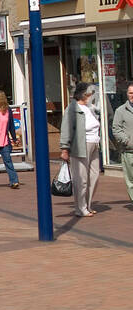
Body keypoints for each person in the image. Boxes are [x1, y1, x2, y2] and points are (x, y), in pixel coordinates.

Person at [60, 81, 101, 217]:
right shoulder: (72, 108)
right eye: (90, 93)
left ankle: (87, 205)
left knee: (94, 176)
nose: (92, 96)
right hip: (81, 145)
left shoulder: (90, 108)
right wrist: (64, 148)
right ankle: (80, 208)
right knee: (81, 178)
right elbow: (66, 128)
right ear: (83, 94)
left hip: (95, 143)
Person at [111, 83, 133, 205]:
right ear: (127, 94)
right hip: (129, 151)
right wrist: (126, 140)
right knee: (131, 181)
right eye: (130, 93)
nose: (132, 95)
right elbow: (116, 129)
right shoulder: (120, 111)